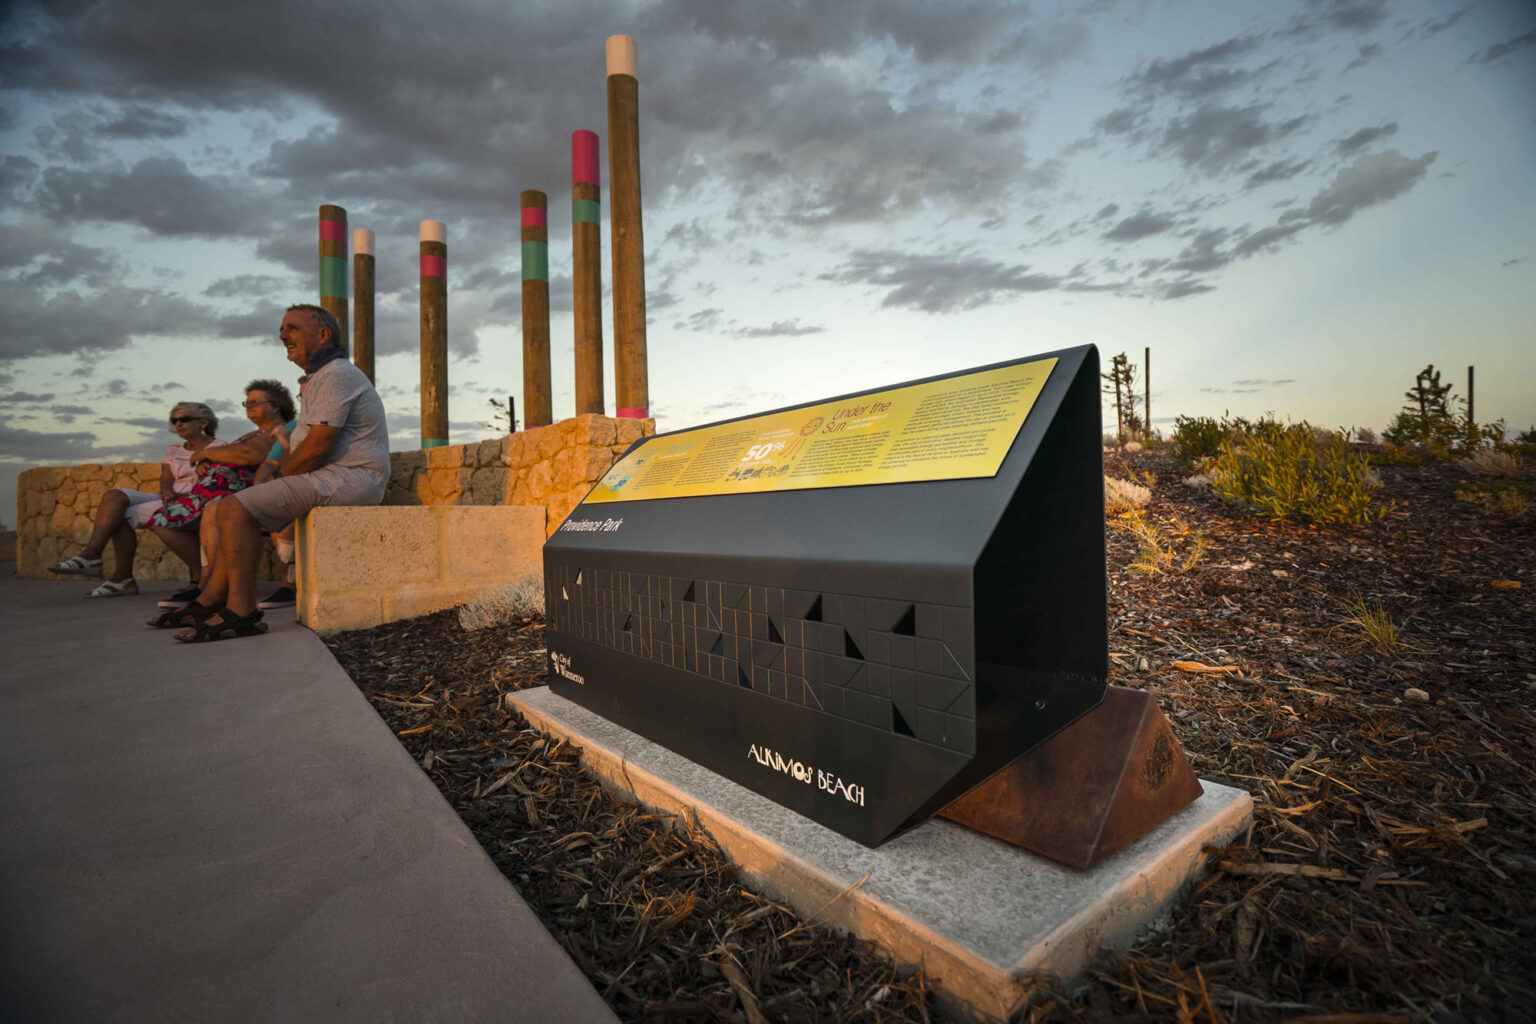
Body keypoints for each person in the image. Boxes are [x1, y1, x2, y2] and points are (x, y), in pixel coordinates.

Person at [171, 304, 389, 641]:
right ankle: (211, 598)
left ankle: (241, 612)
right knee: (219, 509)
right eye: (282, 329)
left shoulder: (336, 375)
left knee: (233, 509)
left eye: (292, 328)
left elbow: (319, 446)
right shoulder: (323, 376)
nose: (282, 335)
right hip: (331, 476)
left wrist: (278, 479)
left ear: (323, 335)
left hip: (347, 479)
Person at [145, 380, 293, 625]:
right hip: (216, 492)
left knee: (217, 510)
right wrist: (209, 460)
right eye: (247, 403)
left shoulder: (280, 430)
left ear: (276, 406)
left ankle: (211, 589)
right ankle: (207, 585)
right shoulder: (249, 434)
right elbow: (231, 453)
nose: (249, 407)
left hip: (249, 491)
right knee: (167, 517)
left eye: (255, 402)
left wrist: (205, 454)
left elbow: (248, 455)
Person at [47, 402, 223, 596]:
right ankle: (94, 557)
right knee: (115, 497)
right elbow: (166, 479)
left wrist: (185, 493)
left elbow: (218, 481)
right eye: (175, 420)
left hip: (198, 500)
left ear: (203, 423)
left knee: (127, 515)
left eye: (185, 419)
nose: (178, 424)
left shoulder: (219, 447)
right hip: (172, 498)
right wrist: (166, 491)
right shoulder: (173, 449)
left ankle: (120, 578)